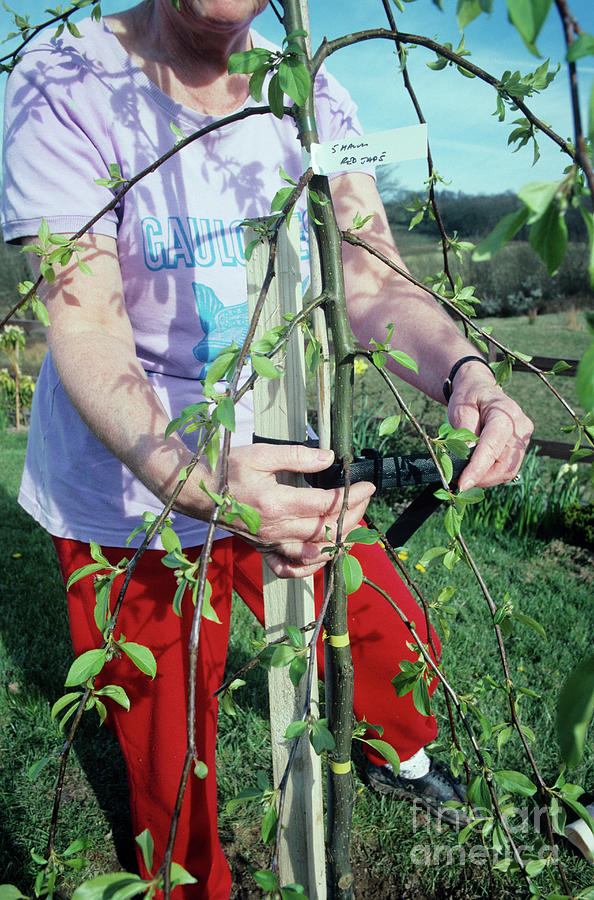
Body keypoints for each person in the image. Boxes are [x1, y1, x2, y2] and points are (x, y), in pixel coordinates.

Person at [1, 1, 533, 896]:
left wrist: (463, 371)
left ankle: (396, 749)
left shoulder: (316, 90)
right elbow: (83, 317)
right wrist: (193, 471)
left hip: (290, 456)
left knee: (388, 629)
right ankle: (187, 882)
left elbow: (368, 271)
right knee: (167, 748)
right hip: (131, 492)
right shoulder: (62, 79)